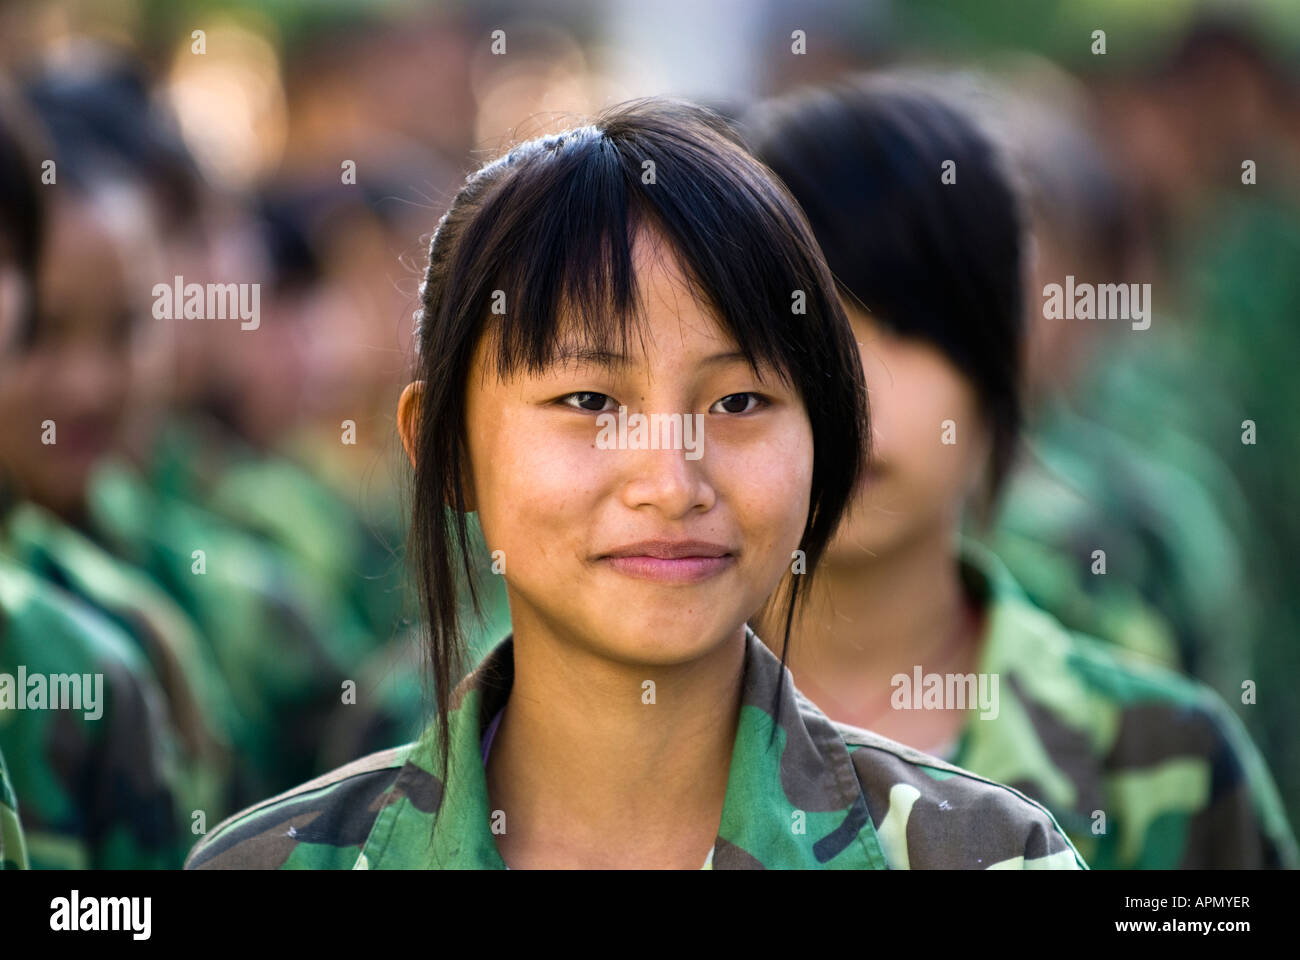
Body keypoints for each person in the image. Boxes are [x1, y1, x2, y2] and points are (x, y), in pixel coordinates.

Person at [187, 98, 1083, 870]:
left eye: (738, 400)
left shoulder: (985, 855)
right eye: (587, 399)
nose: (670, 480)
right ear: (447, 448)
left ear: (824, 445)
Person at [745, 74, 1295, 868]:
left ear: (1003, 358)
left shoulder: (1164, 759)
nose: (854, 395)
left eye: (907, 329)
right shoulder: (611, 735)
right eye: (805, 328)